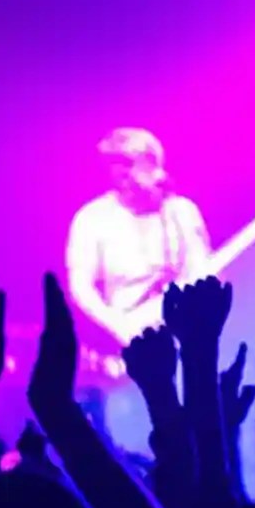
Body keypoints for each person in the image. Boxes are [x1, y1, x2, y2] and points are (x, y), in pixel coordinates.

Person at [66, 128, 212, 348]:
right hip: (128, 334)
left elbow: (202, 270)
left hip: (186, 329)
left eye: (150, 163)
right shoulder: (92, 218)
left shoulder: (181, 211)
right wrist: (119, 327)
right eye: (120, 167)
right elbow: (80, 287)